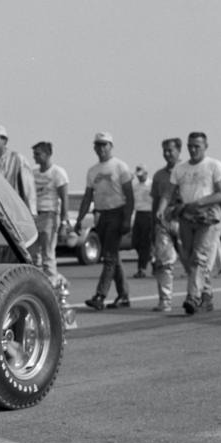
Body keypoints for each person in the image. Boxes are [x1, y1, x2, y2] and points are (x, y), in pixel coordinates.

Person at [157, 132, 221, 314]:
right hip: (187, 218)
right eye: (190, 146)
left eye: (197, 146)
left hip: (207, 217)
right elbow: (167, 192)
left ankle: (192, 298)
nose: (193, 149)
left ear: (205, 146)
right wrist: (161, 208)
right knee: (191, 260)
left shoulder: (214, 165)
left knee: (199, 258)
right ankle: (207, 297)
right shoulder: (180, 169)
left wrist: (200, 202)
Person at [75, 132, 134, 311]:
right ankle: (124, 296)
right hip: (101, 215)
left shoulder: (120, 167)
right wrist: (79, 219)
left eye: (104, 145)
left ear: (111, 146)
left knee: (108, 257)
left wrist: (127, 219)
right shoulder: (93, 171)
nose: (101, 148)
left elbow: (130, 196)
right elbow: (87, 197)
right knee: (113, 257)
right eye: (98, 145)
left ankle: (100, 295)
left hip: (117, 213)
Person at [150, 138, 186, 312]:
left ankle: (199, 296)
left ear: (179, 150)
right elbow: (156, 200)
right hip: (164, 222)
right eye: (164, 150)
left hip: (186, 221)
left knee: (192, 261)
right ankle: (165, 300)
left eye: (170, 150)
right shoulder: (159, 175)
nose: (167, 154)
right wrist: (153, 223)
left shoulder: (188, 170)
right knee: (164, 263)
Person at [31, 142, 69, 287]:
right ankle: (39, 283)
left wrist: (63, 224)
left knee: (48, 254)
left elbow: (64, 198)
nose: (35, 157)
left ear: (47, 155)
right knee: (35, 255)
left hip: (50, 215)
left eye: (38, 154)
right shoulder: (33, 172)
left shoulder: (57, 173)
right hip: (35, 215)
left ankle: (53, 284)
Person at [0, 125, 37, 216]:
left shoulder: (17, 159)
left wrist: (31, 212)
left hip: (13, 211)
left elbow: (28, 189)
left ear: (5, 141)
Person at [131, 165, 154, 278]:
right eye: (138, 176)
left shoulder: (151, 185)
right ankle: (151, 257)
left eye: (141, 175)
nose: (139, 178)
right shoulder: (135, 186)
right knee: (135, 242)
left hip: (148, 214)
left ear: (146, 173)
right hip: (138, 214)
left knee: (145, 243)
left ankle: (142, 269)